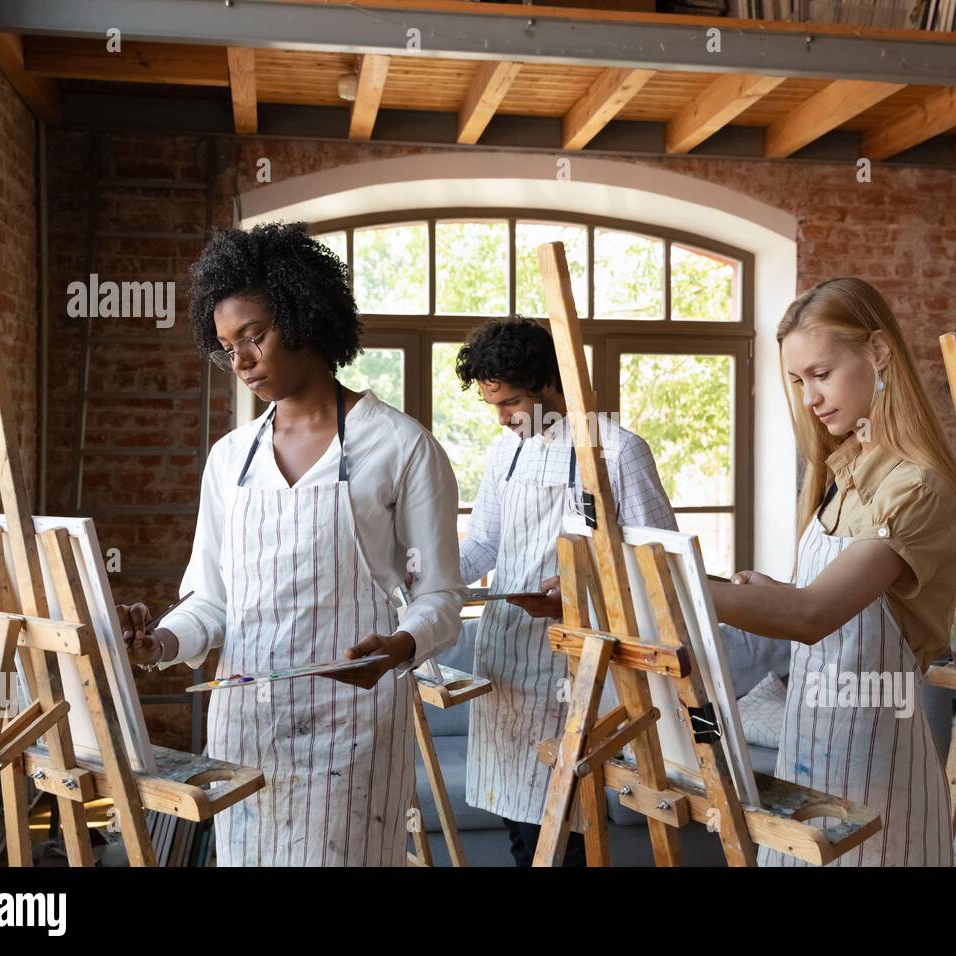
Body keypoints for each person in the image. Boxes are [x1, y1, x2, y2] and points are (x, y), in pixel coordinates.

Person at [115, 222, 464, 866]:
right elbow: (211, 601)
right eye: (226, 347)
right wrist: (159, 643)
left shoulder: (400, 446)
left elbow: (441, 594)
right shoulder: (230, 460)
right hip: (246, 730)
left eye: (255, 336)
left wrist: (401, 645)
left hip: (353, 728)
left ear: (306, 318)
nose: (242, 361)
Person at [709, 277, 956, 866]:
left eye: (821, 374)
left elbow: (812, 616)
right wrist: (772, 592)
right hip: (811, 743)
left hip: (876, 757)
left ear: (879, 354)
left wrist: (669, 585)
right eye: (798, 381)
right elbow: (820, 602)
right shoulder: (842, 476)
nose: (809, 397)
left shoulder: (918, 489)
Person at [454, 316, 676, 866]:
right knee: (517, 823)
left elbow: (660, 561)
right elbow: (481, 545)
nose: (502, 419)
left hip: (572, 664)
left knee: (561, 828)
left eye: (509, 404)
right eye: (493, 407)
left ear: (547, 383)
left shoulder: (616, 450)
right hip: (505, 657)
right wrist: (426, 578)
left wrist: (582, 587)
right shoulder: (503, 454)